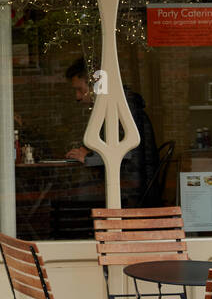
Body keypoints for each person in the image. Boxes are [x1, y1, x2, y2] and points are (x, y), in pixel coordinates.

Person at [64, 58, 159, 206]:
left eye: (80, 90)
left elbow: (126, 155)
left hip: (130, 195)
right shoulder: (119, 104)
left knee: (75, 196)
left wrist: (89, 158)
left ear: (95, 84)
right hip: (129, 187)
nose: (77, 97)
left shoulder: (121, 108)